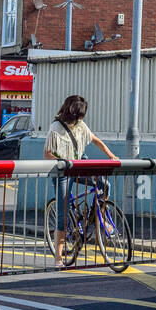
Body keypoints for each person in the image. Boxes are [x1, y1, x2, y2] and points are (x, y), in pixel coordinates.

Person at [43, 94, 118, 268]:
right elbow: (47, 153)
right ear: (71, 112)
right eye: (78, 115)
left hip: (79, 164)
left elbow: (96, 141)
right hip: (62, 171)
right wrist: (60, 163)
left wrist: (112, 156)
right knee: (62, 214)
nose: (80, 118)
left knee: (104, 185)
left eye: (81, 116)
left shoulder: (81, 126)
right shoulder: (56, 127)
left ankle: (99, 216)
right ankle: (59, 257)